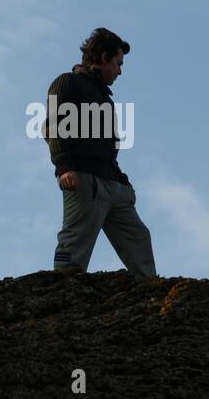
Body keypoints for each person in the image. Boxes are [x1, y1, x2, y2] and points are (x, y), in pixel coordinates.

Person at [43, 27, 157, 277]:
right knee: (75, 243)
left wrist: (122, 182)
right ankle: (61, 295)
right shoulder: (67, 82)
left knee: (139, 237)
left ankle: (150, 292)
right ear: (104, 58)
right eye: (118, 63)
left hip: (111, 184)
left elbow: (106, 149)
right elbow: (53, 125)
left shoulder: (105, 99)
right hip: (83, 180)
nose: (120, 70)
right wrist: (64, 166)